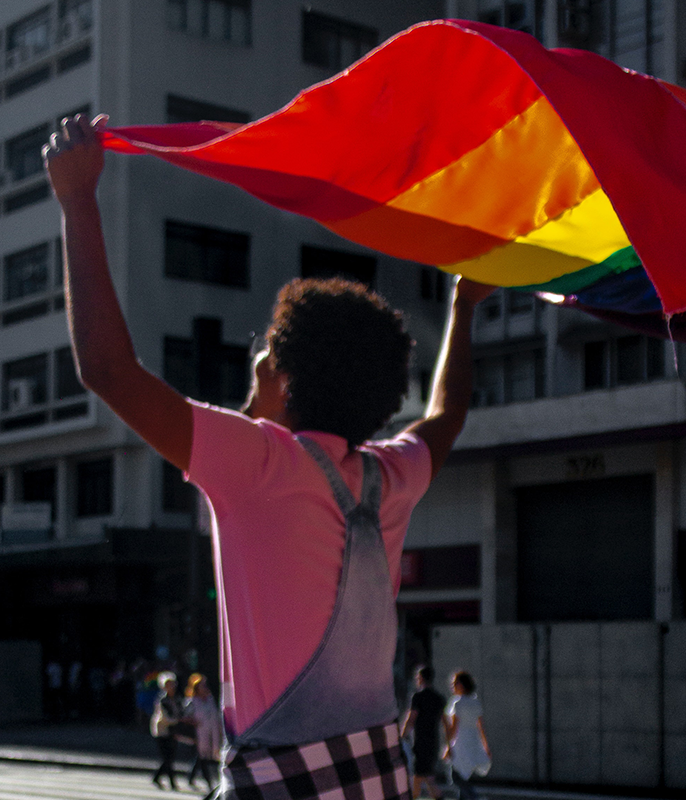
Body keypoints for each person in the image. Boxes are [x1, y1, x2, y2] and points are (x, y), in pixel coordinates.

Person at [45, 113, 492, 800]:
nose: (247, 384)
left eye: (259, 365)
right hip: (378, 776)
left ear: (285, 380)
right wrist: (463, 308)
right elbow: (447, 414)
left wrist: (77, 201)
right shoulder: (389, 475)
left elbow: (107, 369)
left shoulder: (258, 463)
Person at [443, 671, 491, 800]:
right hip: (473, 741)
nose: (452, 687)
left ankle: (475, 798)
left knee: (456, 776)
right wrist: (486, 746)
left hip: (460, 743)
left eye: (455, 684)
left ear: (461, 685)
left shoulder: (457, 703)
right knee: (464, 776)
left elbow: (453, 728)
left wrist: (448, 746)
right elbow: (481, 727)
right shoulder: (475, 702)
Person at [402, 666, 447, 799]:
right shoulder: (438, 697)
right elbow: (444, 721)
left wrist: (402, 736)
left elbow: (411, 718)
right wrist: (448, 743)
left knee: (424, 776)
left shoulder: (418, 696)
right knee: (420, 775)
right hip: (433, 741)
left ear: (421, 678)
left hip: (420, 741)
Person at [183, 673, 222, 792]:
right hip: (198, 734)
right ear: (196, 688)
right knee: (202, 758)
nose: (205, 687)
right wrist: (193, 722)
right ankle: (209, 783)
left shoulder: (210, 699)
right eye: (202, 685)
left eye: (205, 685)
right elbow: (185, 717)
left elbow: (215, 715)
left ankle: (191, 778)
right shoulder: (192, 701)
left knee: (200, 758)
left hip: (211, 733)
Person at [150, 672, 183, 790]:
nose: (172, 687)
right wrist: (178, 720)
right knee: (167, 758)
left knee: (170, 757)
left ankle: (157, 777)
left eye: (173, 684)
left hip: (172, 732)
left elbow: (181, 711)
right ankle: (172, 783)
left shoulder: (177, 699)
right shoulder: (162, 700)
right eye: (168, 684)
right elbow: (165, 718)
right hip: (162, 732)